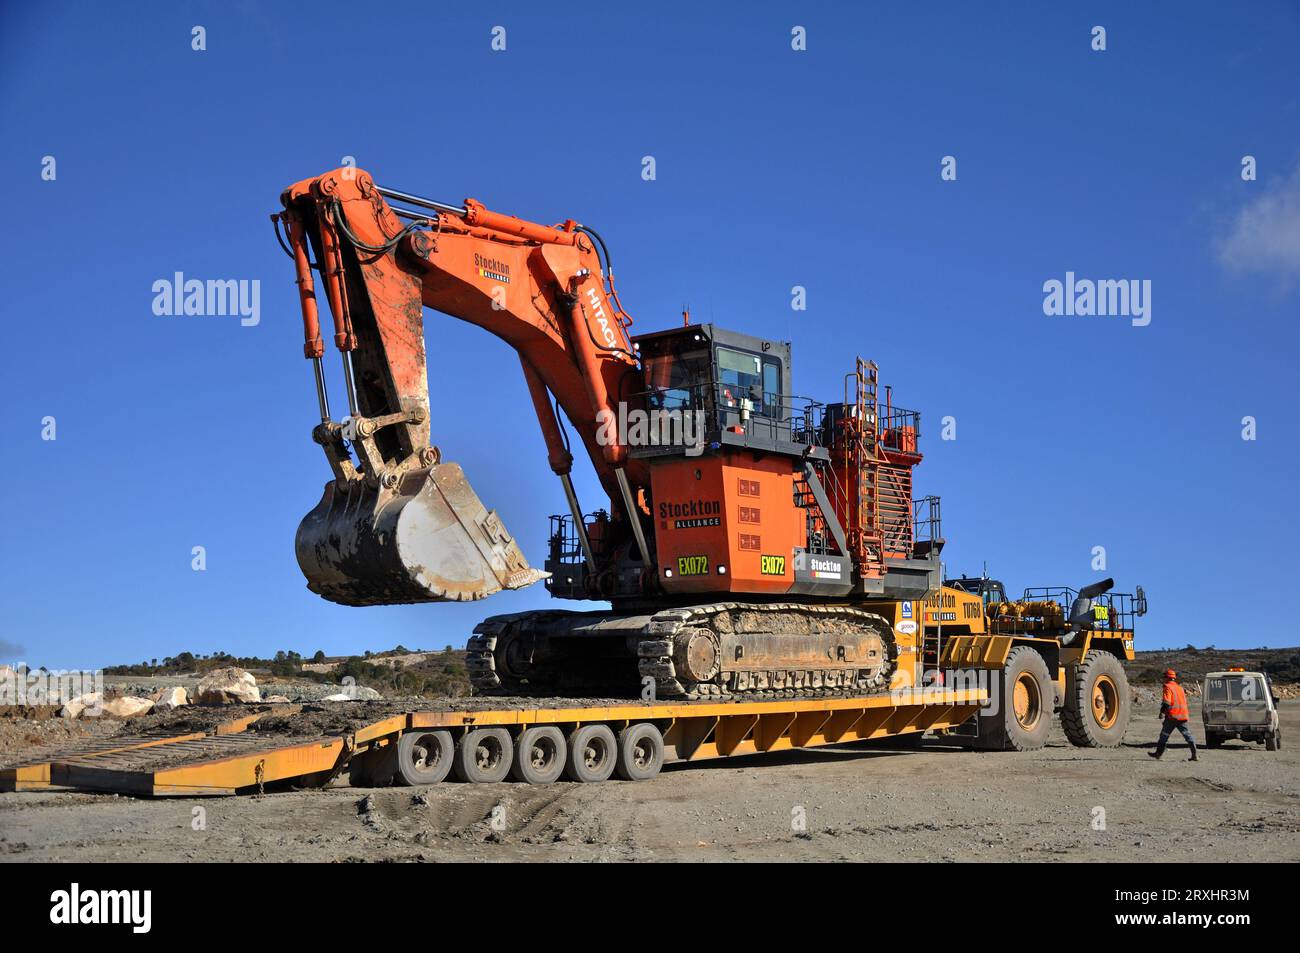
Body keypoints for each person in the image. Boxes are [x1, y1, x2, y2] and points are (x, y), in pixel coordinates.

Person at [1148, 669, 1197, 761]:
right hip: (1183, 716)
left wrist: (1162, 712)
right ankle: (1194, 755)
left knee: (1164, 735)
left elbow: (1167, 702)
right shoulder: (1180, 688)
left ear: (1167, 678)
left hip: (1172, 717)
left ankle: (1158, 754)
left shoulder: (1167, 687)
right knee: (1187, 735)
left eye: (1164, 677)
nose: (1163, 679)